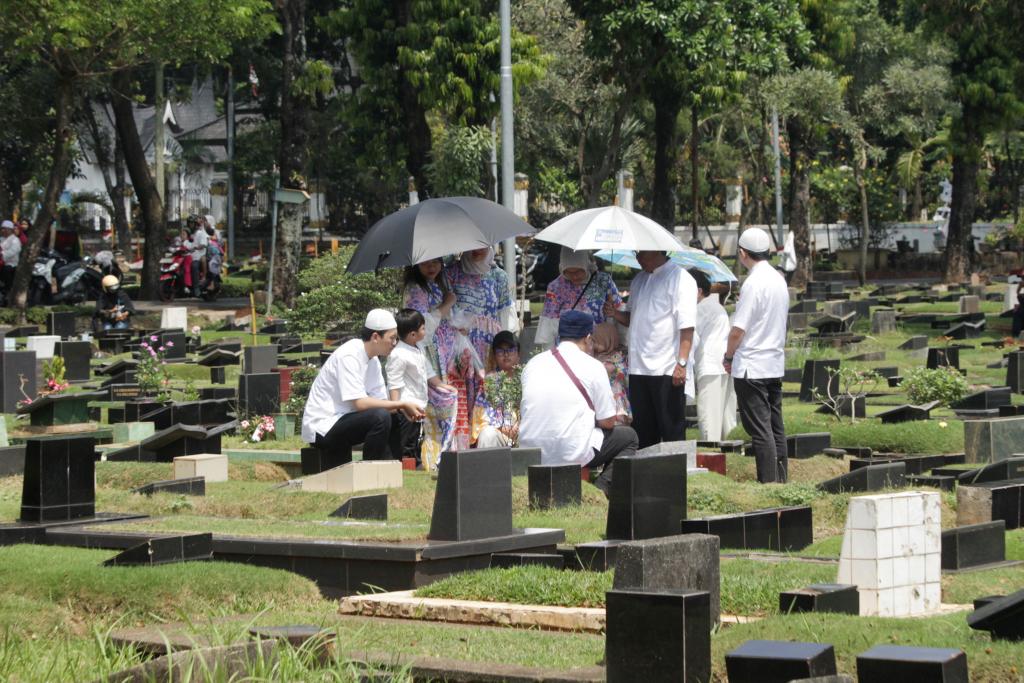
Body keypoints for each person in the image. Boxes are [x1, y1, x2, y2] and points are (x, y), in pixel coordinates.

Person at [520, 311, 639, 496]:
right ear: (588, 337)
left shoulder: (533, 363)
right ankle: (600, 491)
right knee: (629, 438)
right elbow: (608, 421)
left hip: (529, 449)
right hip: (569, 451)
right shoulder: (593, 366)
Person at [301, 309, 425, 462]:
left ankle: (390, 469)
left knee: (395, 416)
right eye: (392, 338)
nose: (394, 344)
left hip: (345, 419)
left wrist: (404, 409)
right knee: (380, 417)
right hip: (323, 426)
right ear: (375, 337)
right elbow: (359, 403)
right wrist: (402, 403)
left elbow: (382, 403)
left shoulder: (373, 361)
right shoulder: (350, 354)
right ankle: (370, 470)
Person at [604, 251, 697, 448]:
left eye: (642, 253)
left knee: (671, 426)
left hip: (666, 365)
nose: (638, 258)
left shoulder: (680, 278)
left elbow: (687, 326)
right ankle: (646, 473)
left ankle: (676, 471)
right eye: (636, 253)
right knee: (644, 429)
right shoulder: (639, 279)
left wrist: (682, 363)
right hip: (639, 366)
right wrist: (615, 313)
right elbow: (632, 317)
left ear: (657, 251)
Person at [724, 227, 790, 483]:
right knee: (775, 427)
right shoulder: (778, 279)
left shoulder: (753, 283)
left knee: (761, 430)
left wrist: (728, 357)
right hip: (773, 362)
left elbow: (737, 330)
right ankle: (781, 480)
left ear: (743, 253)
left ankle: (768, 482)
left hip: (751, 364)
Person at [403, 258, 474, 469]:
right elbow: (421, 327)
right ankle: (436, 459)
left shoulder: (437, 284)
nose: (431, 267)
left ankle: (447, 456)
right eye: (425, 264)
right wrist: (448, 304)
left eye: (435, 262)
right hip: (430, 355)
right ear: (416, 265)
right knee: (440, 406)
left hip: (444, 353)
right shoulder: (417, 289)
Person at [386, 309, 455, 464]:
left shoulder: (419, 347)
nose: (425, 331)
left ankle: (414, 464)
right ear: (412, 334)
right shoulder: (399, 354)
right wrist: (398, 409)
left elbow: (428, 370)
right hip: (406, 408)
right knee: (404, 442)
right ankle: (403, 467)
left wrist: (441, 385)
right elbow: (394, 383)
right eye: (423, 328)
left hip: (418, 406)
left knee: (415, 439)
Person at [535, 247, 622, 348]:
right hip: (568, 347)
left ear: (586, 265)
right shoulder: (556, 287)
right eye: (569, 272)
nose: (574, 276)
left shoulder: (604, 281)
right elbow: (548, 322)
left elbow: (618, 311)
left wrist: (612, 311)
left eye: (578, 271)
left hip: (600, 345)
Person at [689, 269, 736, 442]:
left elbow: (691, 337)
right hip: (722, 365)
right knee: (724, 415)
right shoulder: (716, 306)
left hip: (709, 366)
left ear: (699, 291)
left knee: (708, 414)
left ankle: (711, 452)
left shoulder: (701, 308)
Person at [473, 331, 522, 448]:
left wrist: (520, 425)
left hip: (523, 431)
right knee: (487, 434)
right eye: (500, 351)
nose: (506, 354)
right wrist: (501, 427)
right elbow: (481, 413)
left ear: (518, 354)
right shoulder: (490, 380)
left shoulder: (526, 377)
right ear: (494, 356)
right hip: (500, 432)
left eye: (510, 350)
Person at [188, 216, 209, 297]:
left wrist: (197, 247)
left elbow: (203, 244)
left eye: (192, 223)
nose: (190, 225)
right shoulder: (192, 235)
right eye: (189, 223)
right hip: (191, 255)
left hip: (198, 256)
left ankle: (196, 288)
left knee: (194, 266)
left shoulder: (201, 233)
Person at [0, 220, 21, 293]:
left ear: (10, 230)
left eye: (5, 229)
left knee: (6, 270)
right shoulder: (1, 239)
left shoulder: (15, 240)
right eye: (2, 228)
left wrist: (2, 254)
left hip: (11, 264)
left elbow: (13, 251)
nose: (3, 230)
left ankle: (8, 289)